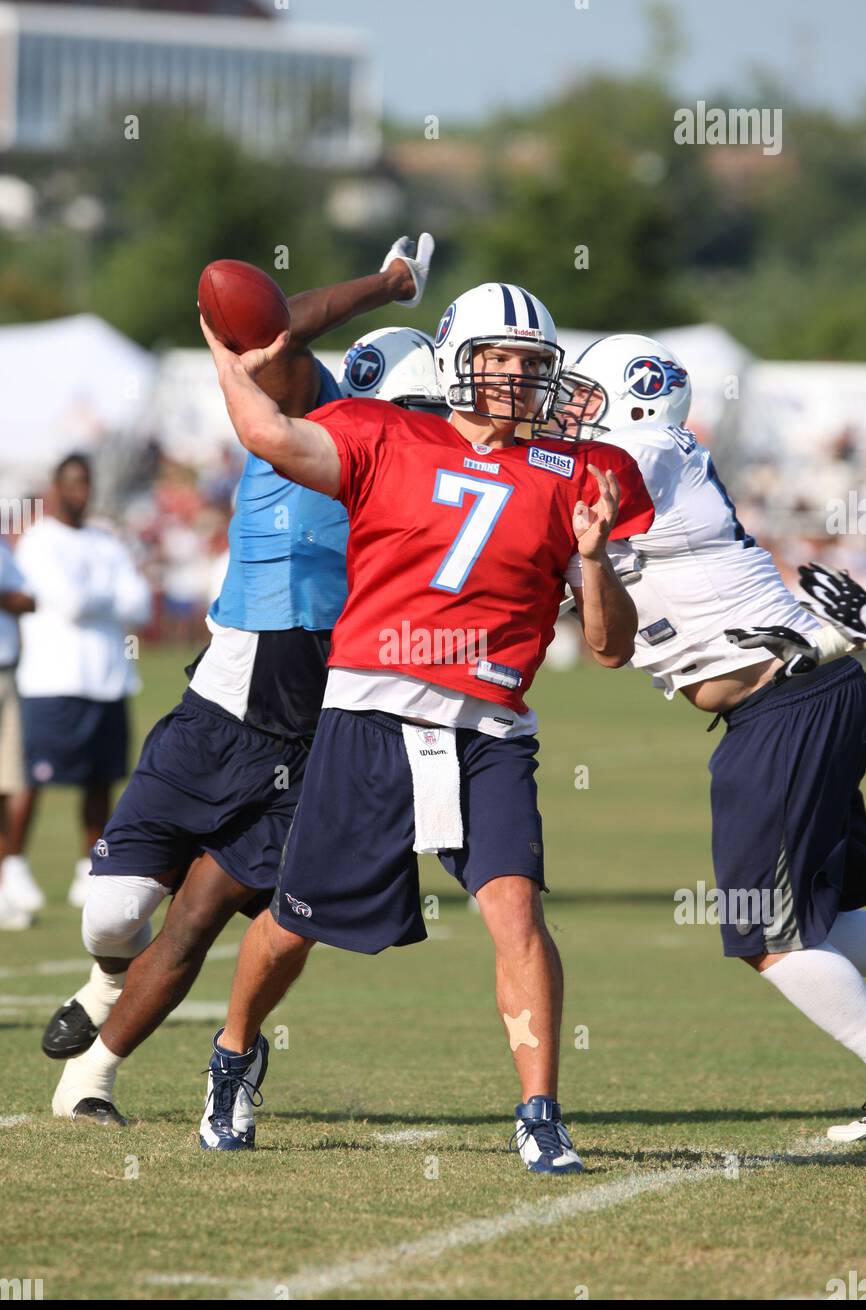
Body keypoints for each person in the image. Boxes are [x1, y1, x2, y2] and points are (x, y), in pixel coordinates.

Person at [195, 281, 656, 1173]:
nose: (517, 379)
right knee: (294, 923)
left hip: (489, 728)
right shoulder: (386, 433)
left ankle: (540, 1112)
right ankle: (233, 1054)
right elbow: (267, 435)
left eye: (531, 364)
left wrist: (594, 562)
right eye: (500, 360)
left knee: (516, 911)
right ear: (457, 361)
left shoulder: (578, 475)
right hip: (371, 709)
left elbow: (608, 648)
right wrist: (230, 355)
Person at [49, 236, 441, 1124]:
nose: (413, 433)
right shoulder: (318, 420)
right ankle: (111, 979)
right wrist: (388, 285)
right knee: (112, 915)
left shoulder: (447, 470)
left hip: (317, 729)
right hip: (221, 703)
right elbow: (273, 333)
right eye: (402, 412)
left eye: (427, 415)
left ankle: (93, 1078)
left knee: (204, 913)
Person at [539, 333, 866, 1145]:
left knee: (764, 929)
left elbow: (571, 486)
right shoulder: (639, 468)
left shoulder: (644, 448)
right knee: (841, 907)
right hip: (800, 694)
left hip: (784, 699)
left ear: (636, 397)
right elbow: (608, 647)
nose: (567, 411)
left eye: (584, 397)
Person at [5, 455, 151, 913]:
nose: (80, 492)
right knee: (33, 777)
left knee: (100, 780)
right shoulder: (40, 541)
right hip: (53, 679)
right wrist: (108, 594)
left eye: (86, 483)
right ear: (56, 486)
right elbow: (67, 602)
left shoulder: (105, 540)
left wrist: (100, 595)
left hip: (107, 678)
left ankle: (89, 868)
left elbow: (141, 603)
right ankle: (13, 866)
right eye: (72, 483)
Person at [0, 538, 36, 930]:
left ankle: (4, 885)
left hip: (7, 673)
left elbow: (29, 600)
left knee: (7, 785)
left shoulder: (4, 548)